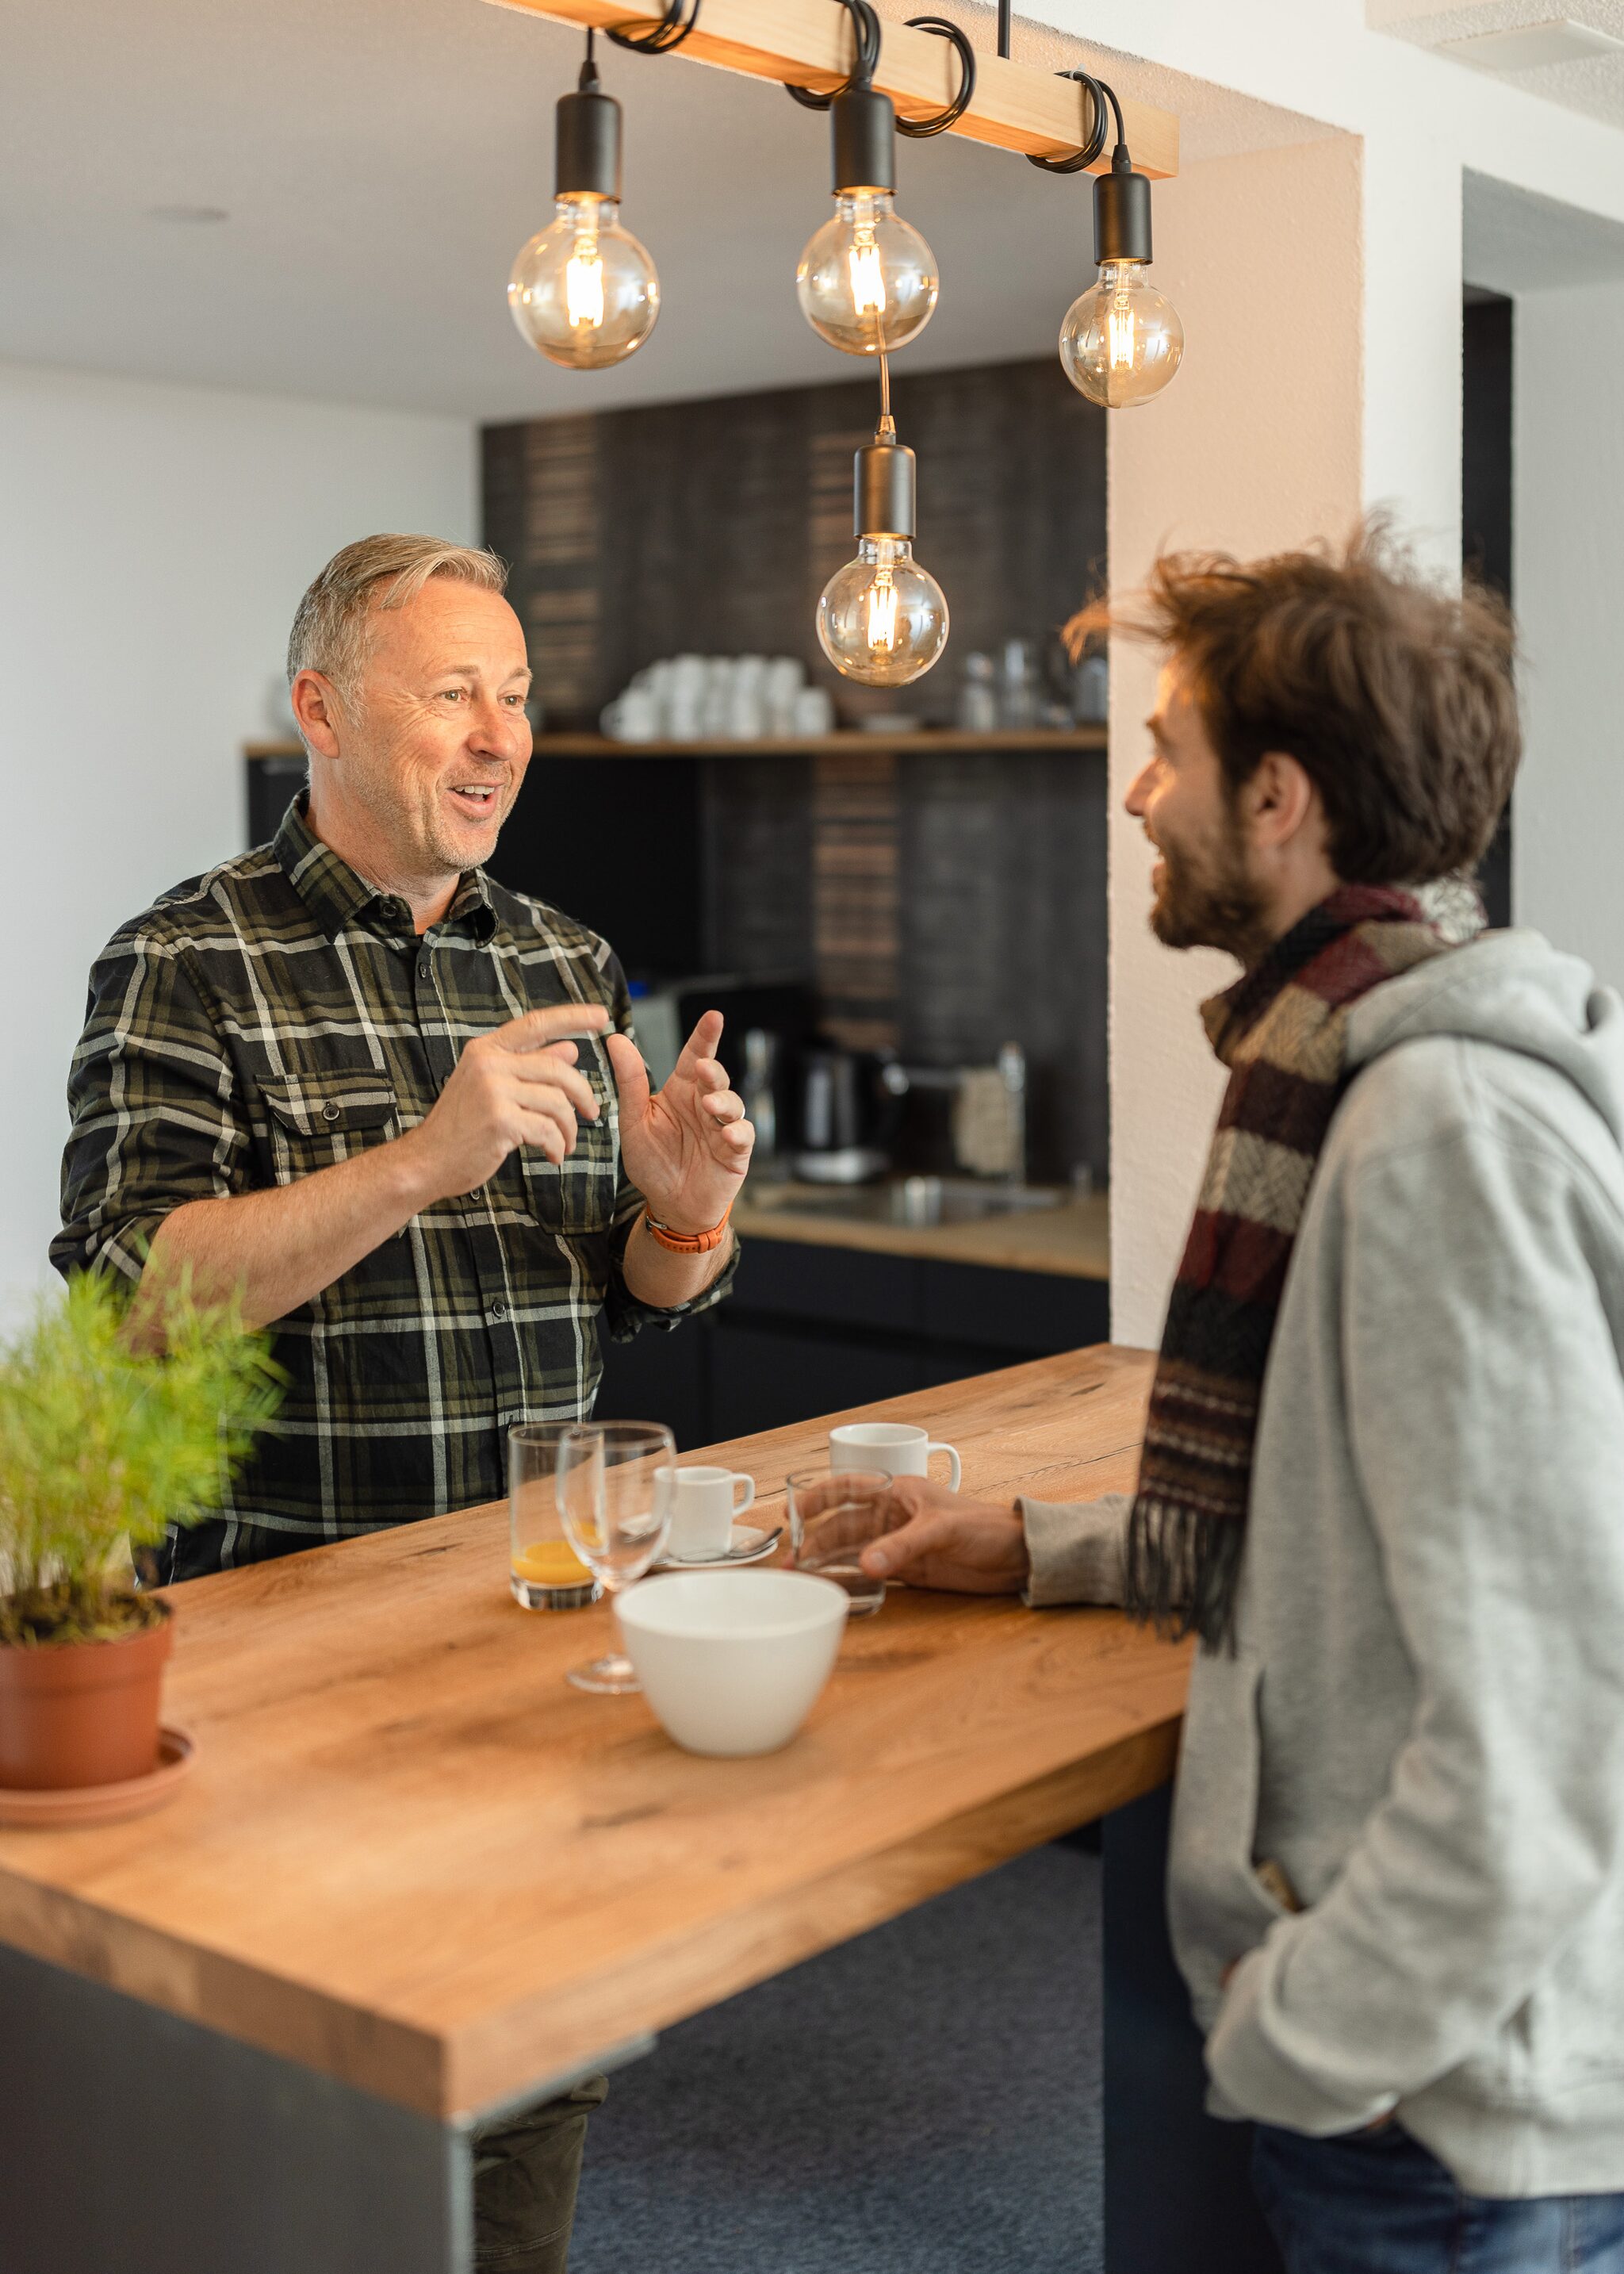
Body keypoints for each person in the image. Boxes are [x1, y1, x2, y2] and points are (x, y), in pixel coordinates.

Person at [822, 530, 1624, 2270]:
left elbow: (1553, 1727)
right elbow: (1338, 1529)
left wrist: (1291, 2038)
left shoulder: (1434, 1135)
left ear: (1275, 798)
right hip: (1423, 2083)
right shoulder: (1343, 1073)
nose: (1132, 795)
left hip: (1440, 2117)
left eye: (1165, 749)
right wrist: (1035, 1543)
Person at [53, 531, 755, 2274]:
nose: (499, 734)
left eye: (514, 698)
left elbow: (641, 1299)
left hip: (540, 1648)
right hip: (288, 1678)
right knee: (293, 2136)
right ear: (322, 710)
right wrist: (420, 1162)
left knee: (530, 2102)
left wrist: (681, 1209)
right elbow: (132, 1306)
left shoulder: (566, 957)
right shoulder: (185, 962)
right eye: (453, 692)